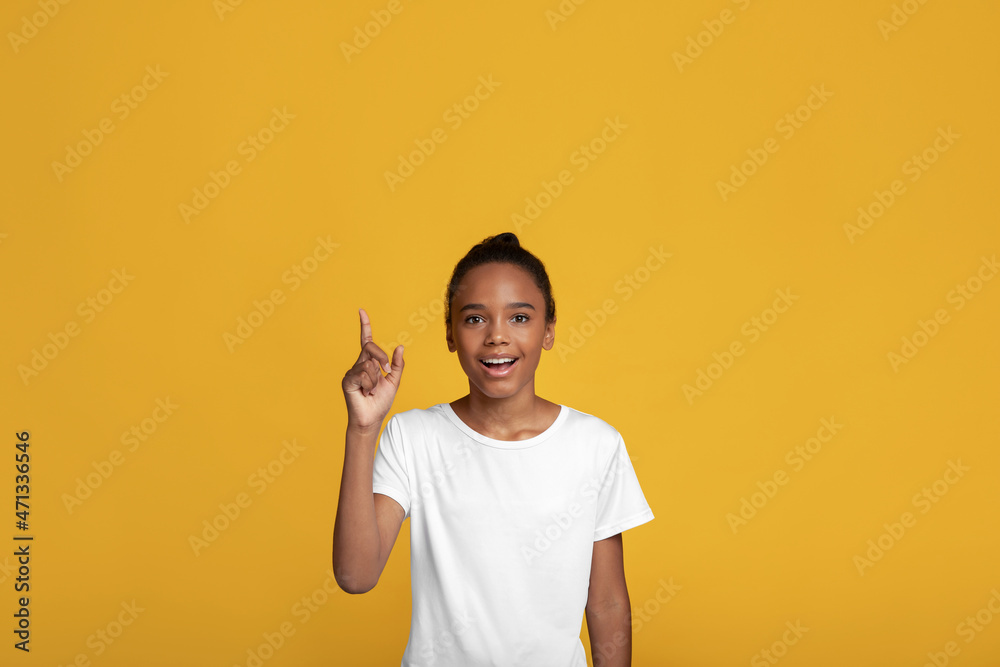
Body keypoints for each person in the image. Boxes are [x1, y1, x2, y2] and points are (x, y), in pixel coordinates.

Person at [333, 232, 654, 666]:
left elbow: (607, 603)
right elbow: (356, 575)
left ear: (549, 331)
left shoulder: (595, 445)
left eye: (519, 318)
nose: (497, 337)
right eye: (474, 319)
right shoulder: (413, 437)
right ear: (450, 333)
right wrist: (362, 430)